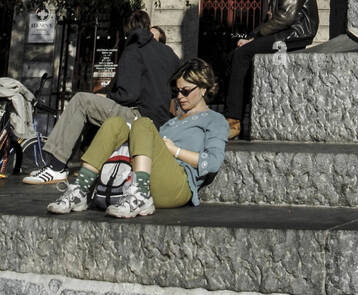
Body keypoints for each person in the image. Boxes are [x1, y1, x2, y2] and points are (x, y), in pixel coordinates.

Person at [47, 59, 228, 218]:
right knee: (115, 123)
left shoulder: (215, 120)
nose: (180, 96)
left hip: (178, 186)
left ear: (203, 89)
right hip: (154, 176)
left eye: (186, 91)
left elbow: (212, 162)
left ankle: (141, 194)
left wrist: (175, 151)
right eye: (177, 91)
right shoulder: (170, 124)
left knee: (143, 123)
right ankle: (81, 189)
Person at [23, 10, 179, 185]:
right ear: (149, 28)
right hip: (162, 120)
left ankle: (56, 167)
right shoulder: (169, 54)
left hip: (140, 117)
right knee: (96, 108)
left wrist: (109, 96)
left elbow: (129, 95)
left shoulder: (133, 50)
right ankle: (89, 163)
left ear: (128, 31)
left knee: (81, 101)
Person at [224, 0, 318, 139]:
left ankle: (233, 121)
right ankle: (240, 116)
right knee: (237, 53)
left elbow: (286, 17)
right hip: (284, 30)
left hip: (296, 32)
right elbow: (272, 18)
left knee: (242, 54)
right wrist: (252, 36)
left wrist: (255, 36)